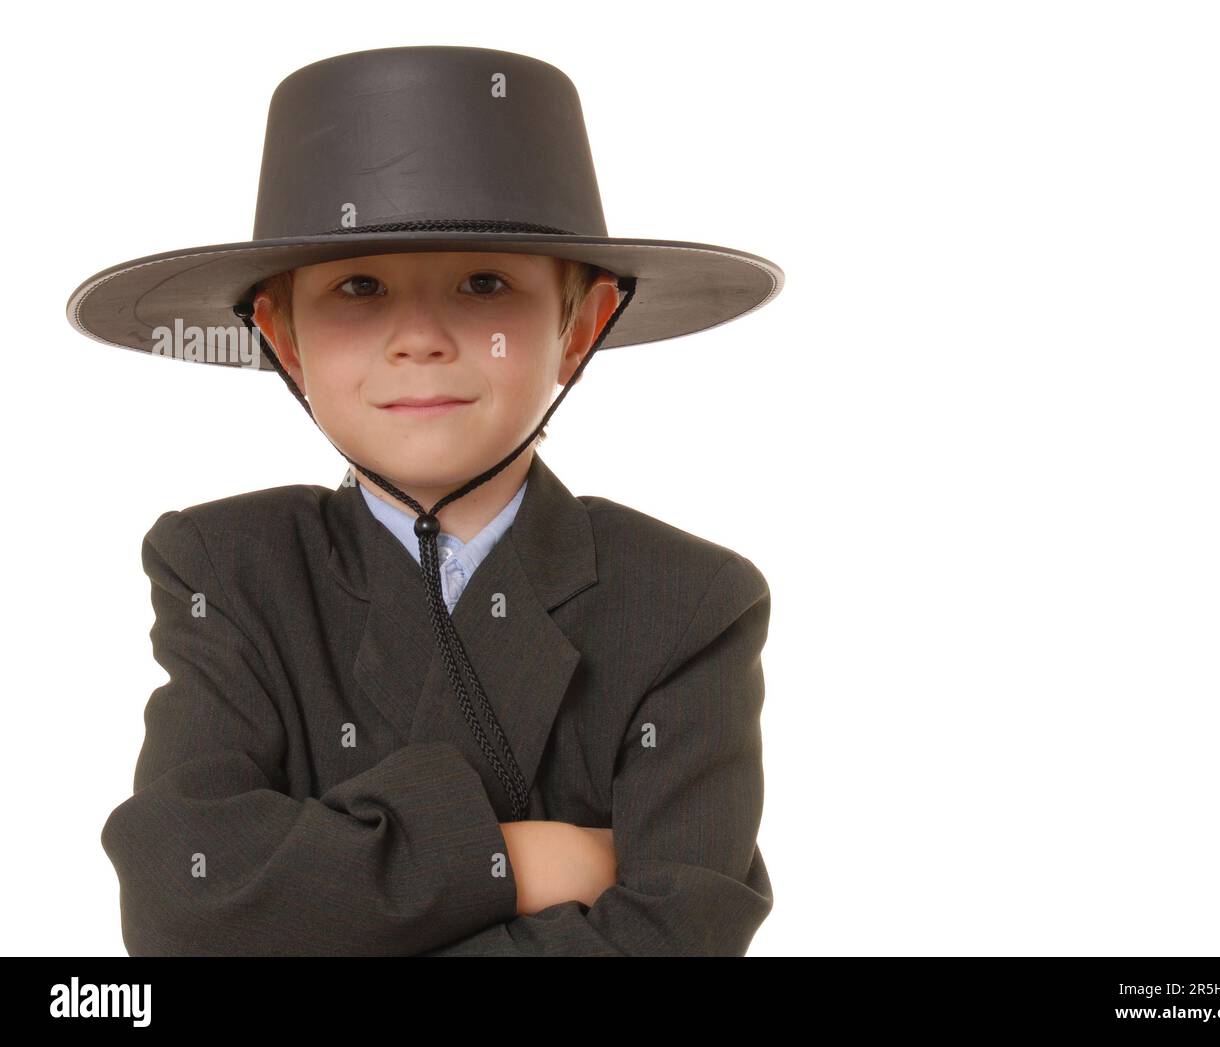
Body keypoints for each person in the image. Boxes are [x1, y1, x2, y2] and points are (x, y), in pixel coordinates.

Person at [65, 45, 784, 956]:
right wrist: (508, 861)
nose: (419, 339)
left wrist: (320, 910)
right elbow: (181, 902)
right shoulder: (228, 568)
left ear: (582, 328)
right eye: (357, 288)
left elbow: (681, 932)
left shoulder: (689, 601)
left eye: (484, 285)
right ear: (284, 340)